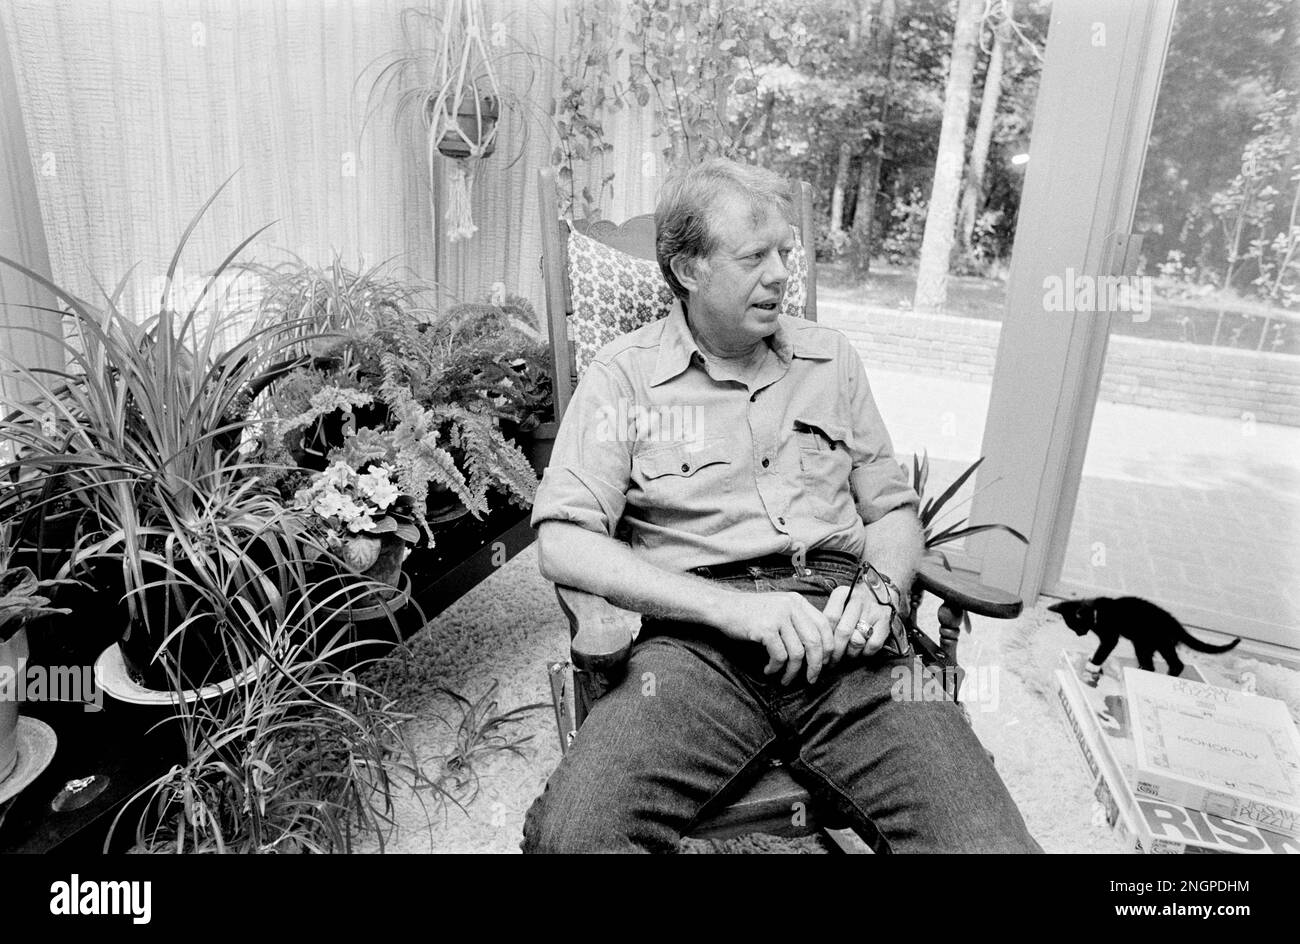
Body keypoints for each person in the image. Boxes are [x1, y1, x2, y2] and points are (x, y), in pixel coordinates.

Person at [522, 158, 1041, 853]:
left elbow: (892, 512)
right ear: (688, 270)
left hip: (850, 645)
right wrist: (733, 609)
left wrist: (884, 590)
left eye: (786, 255)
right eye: (753, 257)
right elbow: (562, 540)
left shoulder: (832, 361)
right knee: (575, 838)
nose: (779, 275)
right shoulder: (625, 378)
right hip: (695, 649)